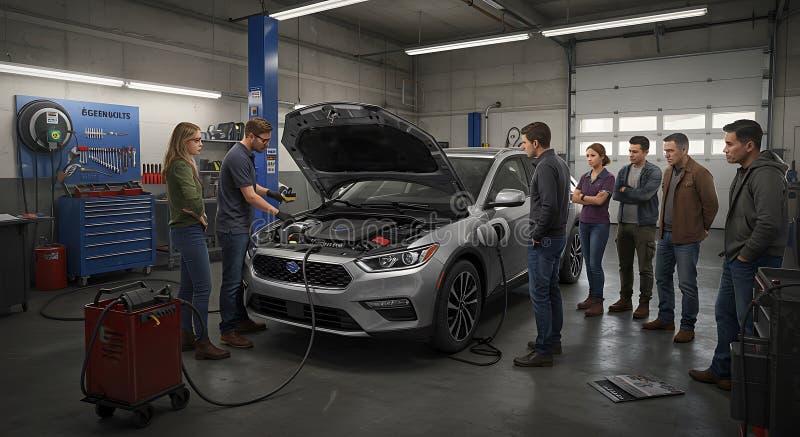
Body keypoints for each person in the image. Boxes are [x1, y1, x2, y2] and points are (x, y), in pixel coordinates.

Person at [689, 120, 787, 390]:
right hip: (736, 259)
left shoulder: (765, 174)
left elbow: (769, 223)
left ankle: (746, 381)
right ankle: (722, 370)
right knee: (725, 314)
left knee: (748, 321)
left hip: (753, 260)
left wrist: (745, 255)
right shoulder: (745, 171)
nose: (725, 149)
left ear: (749, 145)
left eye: (730, 143)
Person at [216, 117, 295, 349]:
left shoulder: (245, 155)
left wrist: (273, 193)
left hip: (240, 225)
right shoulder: (238, 157)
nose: (266, 145)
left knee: (240, 278)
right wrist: (277, 213)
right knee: (231, 281)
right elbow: (249, 196)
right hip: (233, 227)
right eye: (264, 140)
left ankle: (240, 321)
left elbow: (252, 186)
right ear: (251, 136)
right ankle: (227, 331)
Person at [163, 122, 230, 360]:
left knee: (188, 287)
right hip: (189, 231)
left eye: (201, 139)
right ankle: (203, 342)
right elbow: (193, 201)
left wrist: (195, 211)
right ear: (184, 142)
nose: (201, 144)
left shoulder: (178, 164)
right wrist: (200, 214)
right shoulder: (181, 166)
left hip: (182, 230)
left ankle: (185, 335)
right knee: (204, 288)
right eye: (197, 140)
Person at [642, 133, 718, 343]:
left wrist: (701, 228)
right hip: (665, 235)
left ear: (684, 150)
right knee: (662, 278)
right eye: (665, 150)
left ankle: (687, 326)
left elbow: (711, 205)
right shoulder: (668, 172)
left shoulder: (700, 173)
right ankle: (666, 319)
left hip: (687, 238)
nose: (666, 154)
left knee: (687, 284)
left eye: (670, 150)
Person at [514, 122, 570, 367]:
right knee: (551, 291)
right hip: (556, 237)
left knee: (539, 294)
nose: (522, 146)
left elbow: (549, 205)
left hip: (545, 239)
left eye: (524, 142)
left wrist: (536, 233)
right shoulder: (558, 162)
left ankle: (544, 349)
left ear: (536, 143)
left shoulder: (545, 167)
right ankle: (553, 340)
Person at [610, 136, 662, 319]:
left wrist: (628, 192)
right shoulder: (624, 170)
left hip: (644, 226)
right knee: (624, 266)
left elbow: (645, 195)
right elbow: (616, 194)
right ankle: (625, 300)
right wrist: (628, 193)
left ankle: (644, 303)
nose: (631, 154)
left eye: (635, 151)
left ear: (646, 152)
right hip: (623, 225)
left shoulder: (654, 172)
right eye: (630, 150)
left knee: (645, 267)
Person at [572, 143, 615, 317]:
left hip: (600, 224)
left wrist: (582, 197)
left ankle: (598, 301)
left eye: (593, 155)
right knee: (588, 263)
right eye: (587, 155)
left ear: (602, 157)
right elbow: (574, 198)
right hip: (584, 223)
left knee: (595, 264)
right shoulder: (584, 176)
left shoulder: (608, 178)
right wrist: (586, 198)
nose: (589, 159)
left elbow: (599, 202)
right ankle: (591, 296)